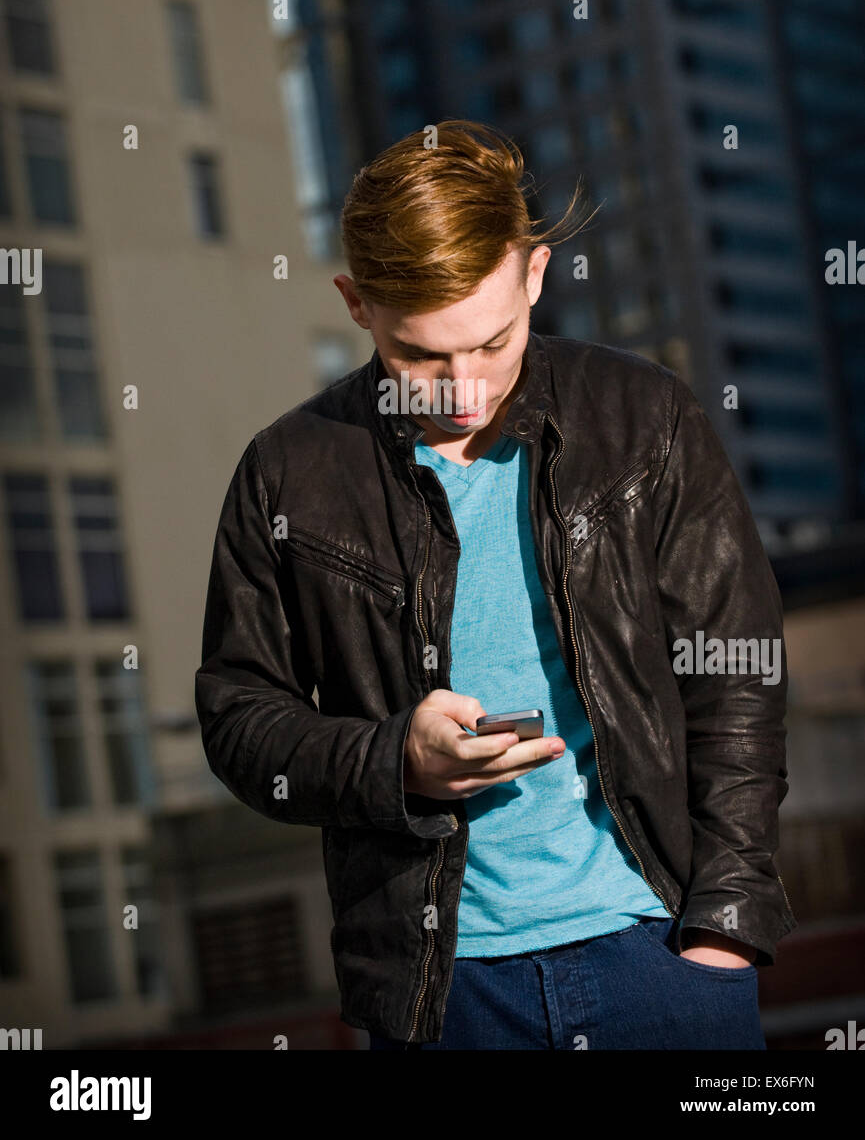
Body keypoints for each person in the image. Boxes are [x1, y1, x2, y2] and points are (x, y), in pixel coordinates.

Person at [195, 119, 795, 1050]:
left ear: (535, 275)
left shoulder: (645, 416)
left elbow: (736, 677)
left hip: (663, 954)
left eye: (491, 342)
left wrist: (723, 931)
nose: (461, 389)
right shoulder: (288, 472)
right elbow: (239, 720)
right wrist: (396, 761)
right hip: (437, 994)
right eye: (421, 357)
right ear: (356, 304)